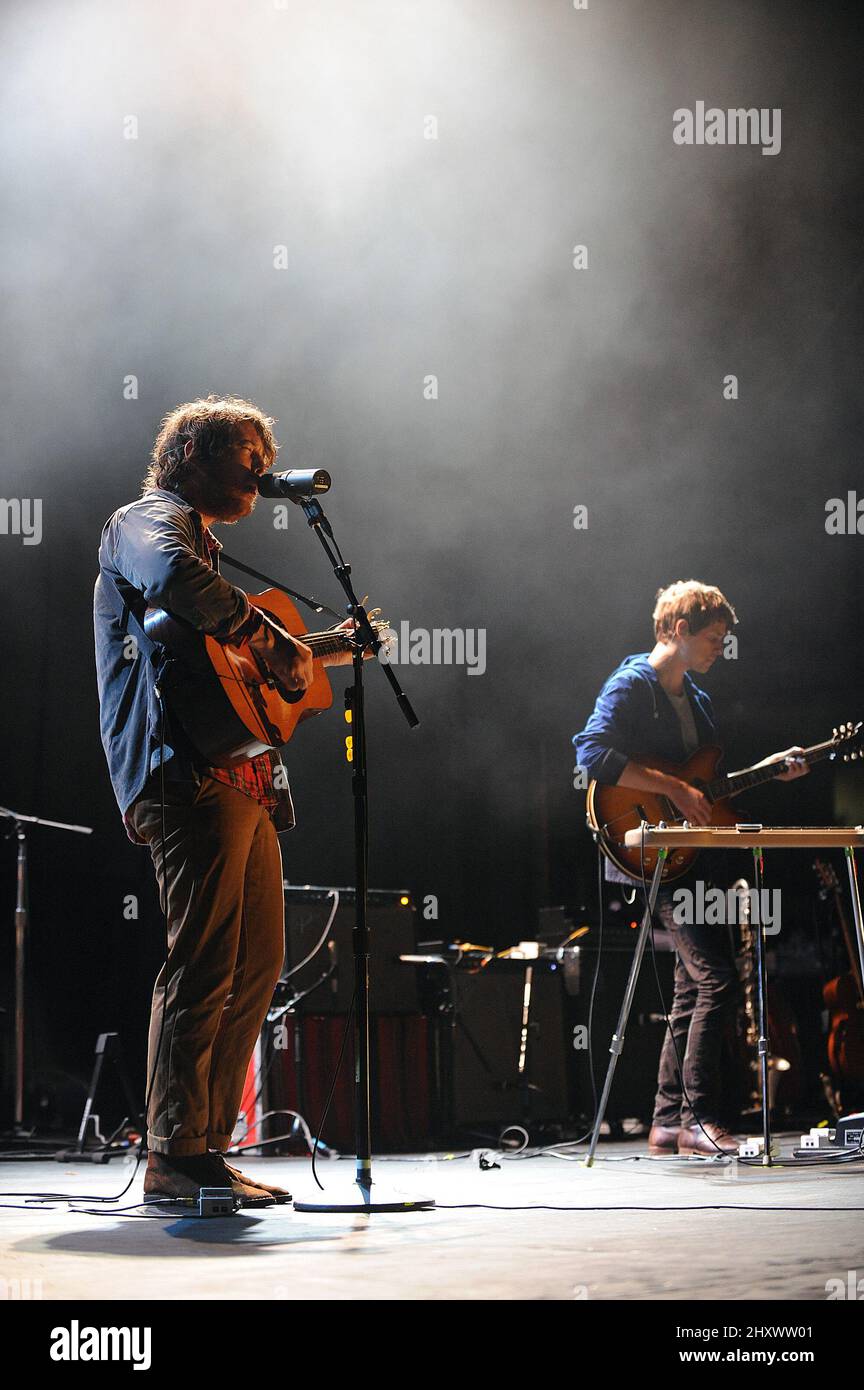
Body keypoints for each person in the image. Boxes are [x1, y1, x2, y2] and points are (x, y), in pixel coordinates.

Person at [94, 395, 355, 1205]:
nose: (259, 471)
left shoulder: (206, 547)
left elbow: (233, 667)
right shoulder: (145, 522)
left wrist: (321, 651)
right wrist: (270, 636)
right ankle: (174, 1152)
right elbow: (179, 587)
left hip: (240, 774)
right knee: (203, 959)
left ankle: (206, 1143)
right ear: (189, 455)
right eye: (245, 454)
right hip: (183, 772)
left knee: (256, 963)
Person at [573, 580, 807, 1155]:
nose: (718, 650)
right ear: (677, 630)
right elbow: (591, 754)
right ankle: (702, 1119)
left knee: (690, 987)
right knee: (716, 978)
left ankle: (669, 1121)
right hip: (648, 854)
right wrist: (673, 789)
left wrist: (769, 771)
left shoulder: (697, 702)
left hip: (691, 859)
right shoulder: (631, 685)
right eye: (711, 638)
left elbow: (707, 788)